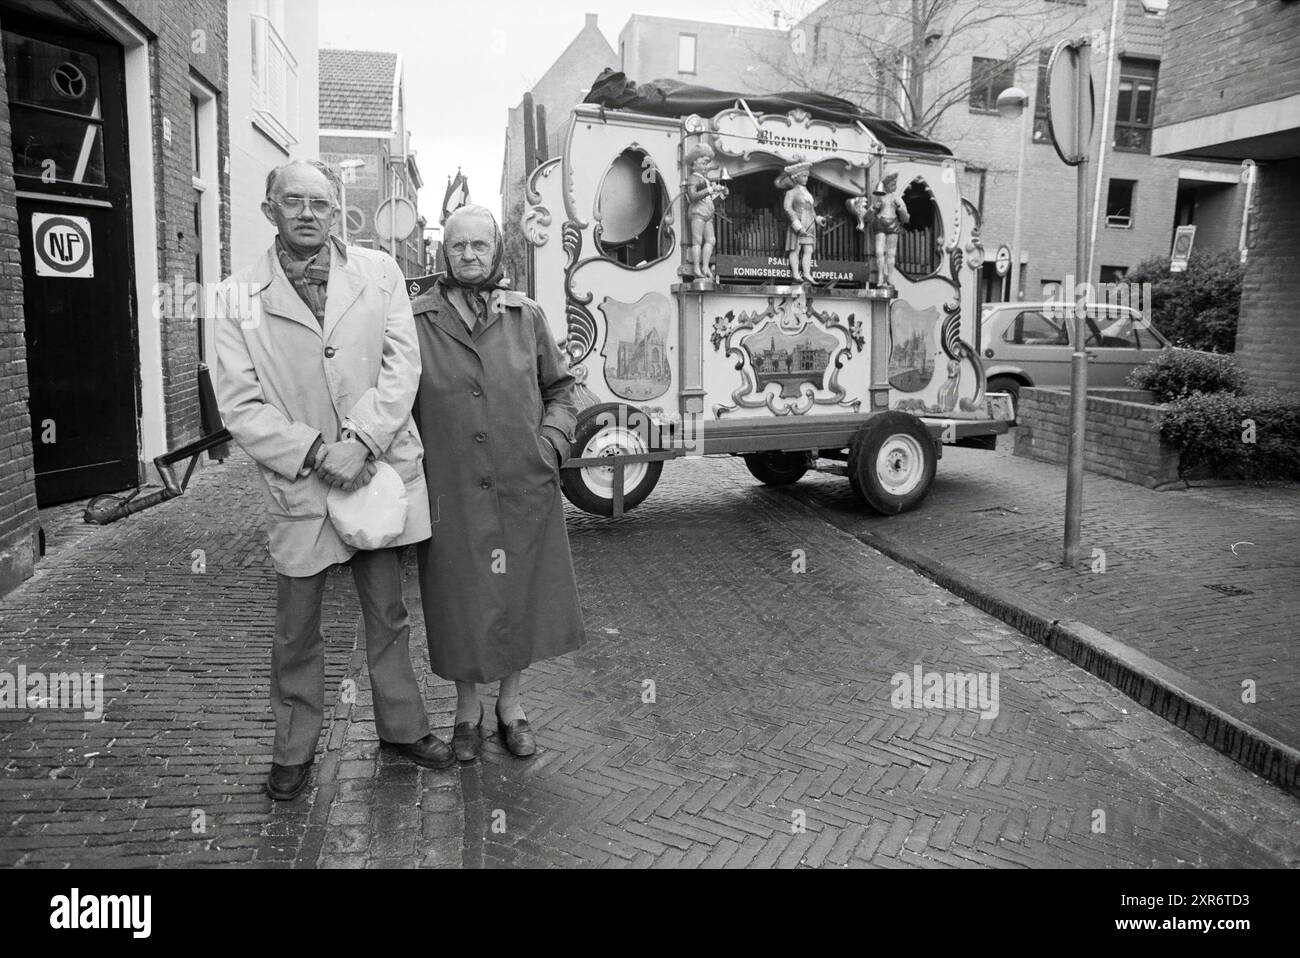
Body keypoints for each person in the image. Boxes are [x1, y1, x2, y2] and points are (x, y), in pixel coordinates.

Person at [215, 159, 454, 801]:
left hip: (373, 472)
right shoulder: (237, 296)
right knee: (296, 626)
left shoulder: (379, 273)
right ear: (270, 209)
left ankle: (402, 727)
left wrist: (365, 440)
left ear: (337, 210)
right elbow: (239, 404)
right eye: (292, 200)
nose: (307, 213)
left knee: (389, 611)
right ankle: (293, 749)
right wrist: (319, 451)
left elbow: (404, 366)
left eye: (320, 202)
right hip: (302, 483)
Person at [409, 204, 585, 762]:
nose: (468, 255)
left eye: (478, 245)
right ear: (445, 251)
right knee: (458, 597)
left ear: (496, 250)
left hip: (521, 485)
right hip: (452, 491)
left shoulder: (525, 315)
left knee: (515, 596)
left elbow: (561, 389)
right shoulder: (415, 320)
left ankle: (512, 706)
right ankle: (466, 710)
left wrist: (551, 446)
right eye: (457, 245)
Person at [776, 160, 826, 284]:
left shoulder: (807, 192)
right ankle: (796, 274)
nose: (806, 179)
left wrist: (818, 219)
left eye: (807, 176)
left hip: (809, 224)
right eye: (804, 176)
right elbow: (787, 208)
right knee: (795, 249)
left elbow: (812, 210)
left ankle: (807, 274)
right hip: (798, 223)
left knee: (809, 250)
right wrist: (797, 225)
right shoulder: (791, 192)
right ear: (796, 177)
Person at [683, 143, 728, 280]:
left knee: (711, 240)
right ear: (695, 164)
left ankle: (705, 266)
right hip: (698, 213)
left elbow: (710, 202)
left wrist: (722, 195)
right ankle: (696, 267)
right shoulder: (693, 178)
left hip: (707, 213)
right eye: (703, 163)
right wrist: (710, 190)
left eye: (706, 164)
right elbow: (693, 196)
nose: (705, 167)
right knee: (697, 240)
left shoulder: (705, 180)